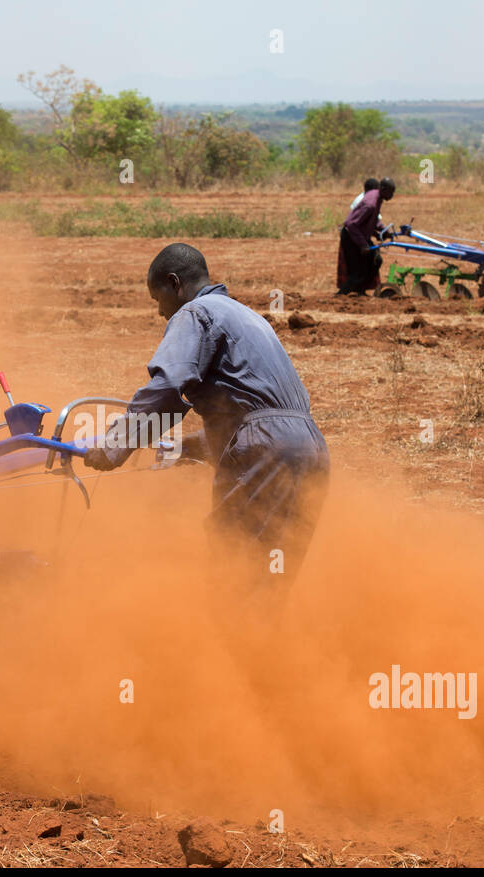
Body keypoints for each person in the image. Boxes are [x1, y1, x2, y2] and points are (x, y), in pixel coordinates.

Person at [83, 243, 330, 585]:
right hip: (309, 449)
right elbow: (255, 413)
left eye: (158, 299)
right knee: (270, 576)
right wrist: (183, 448)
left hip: (267, 446)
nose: (159, 313)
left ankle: (229, 637)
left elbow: (168, 386)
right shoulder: (248, 317)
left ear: (174, 283)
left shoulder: (196, 313)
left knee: (234, 564)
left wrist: (115, 446)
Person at [337, 176, 396, 295]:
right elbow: (351, 224)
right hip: (351, 237)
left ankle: (360, 292)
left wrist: (383, 230)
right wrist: (363, 245)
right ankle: (340, 297)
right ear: (383, 189)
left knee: (375, 261)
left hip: (360, 236)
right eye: (391, 192)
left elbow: (373, 219)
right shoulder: (371, 204)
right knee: (358, 272)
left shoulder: (377, 196)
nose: (392, 195)